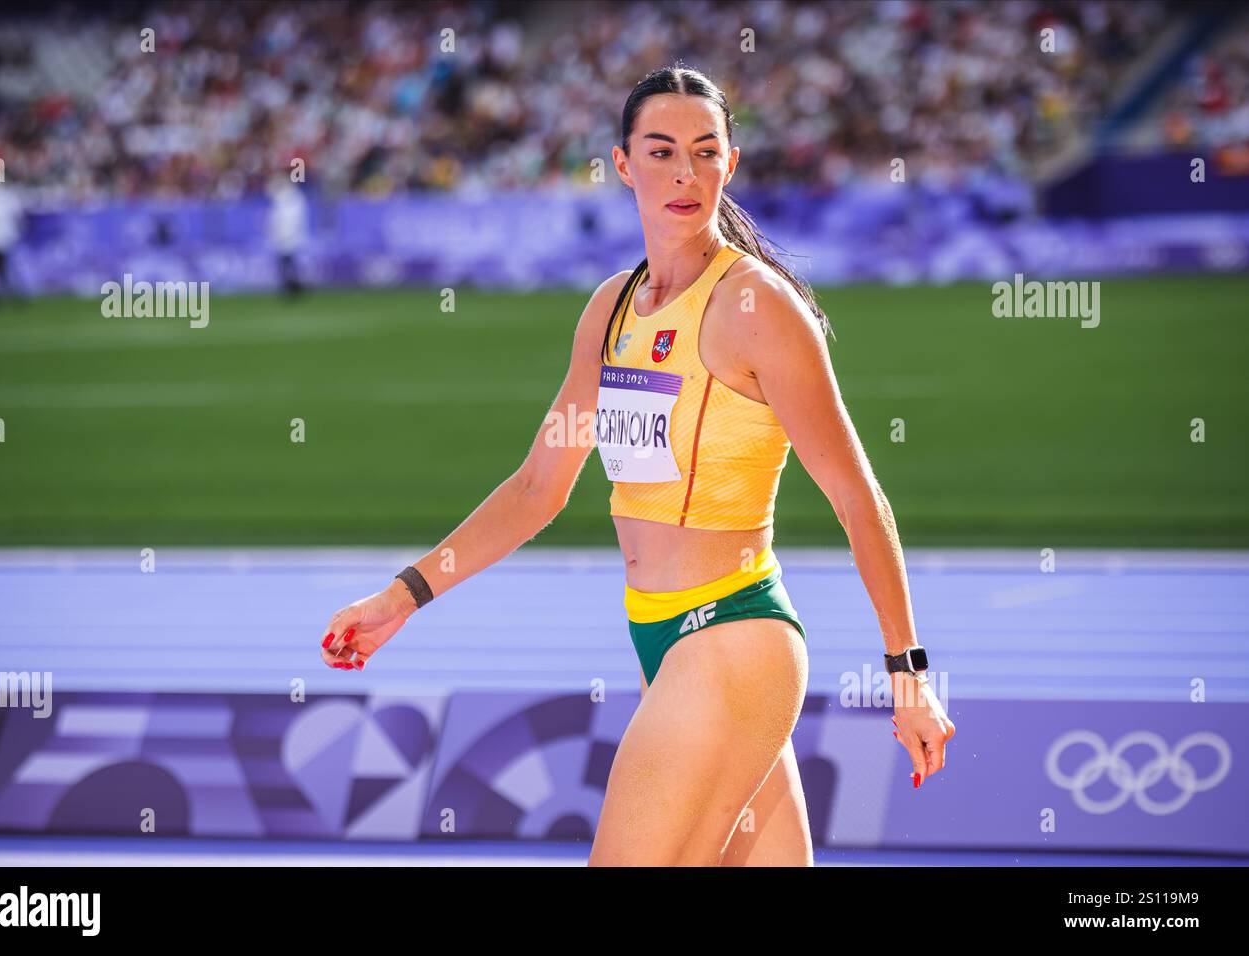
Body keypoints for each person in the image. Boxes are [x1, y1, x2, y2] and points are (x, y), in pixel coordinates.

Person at [317, 65, 955, 866]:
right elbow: (537, 488)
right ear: (622, 164)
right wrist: (403, 595)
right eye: (660, 152)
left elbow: (859, 496)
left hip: (730, 639)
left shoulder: (756, 309)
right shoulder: (612, 308)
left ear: (731, 161)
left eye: (705, 151)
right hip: (666, 645)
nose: (685, 174)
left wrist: (908, 675)